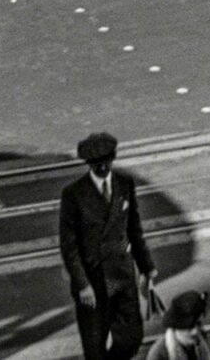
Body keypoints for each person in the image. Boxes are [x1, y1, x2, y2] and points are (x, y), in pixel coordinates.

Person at [57, 132, 157, 360]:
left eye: (105, 161)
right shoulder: (73, 194)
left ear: (113, 158)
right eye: (96, 164)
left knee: (132, 338)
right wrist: (82, 285)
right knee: (94, 349)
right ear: (89, 164)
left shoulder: (124, 184)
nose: (101, 167)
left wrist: (147, 267)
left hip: (122, 276)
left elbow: (134, 228)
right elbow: (69, 246)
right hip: (94, 283)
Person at [143, 290, 210, 360]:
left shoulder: (200, 344)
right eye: (189, 327)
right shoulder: (158, 354)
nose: (195, 331)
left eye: (198, 324)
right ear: (176, 327)